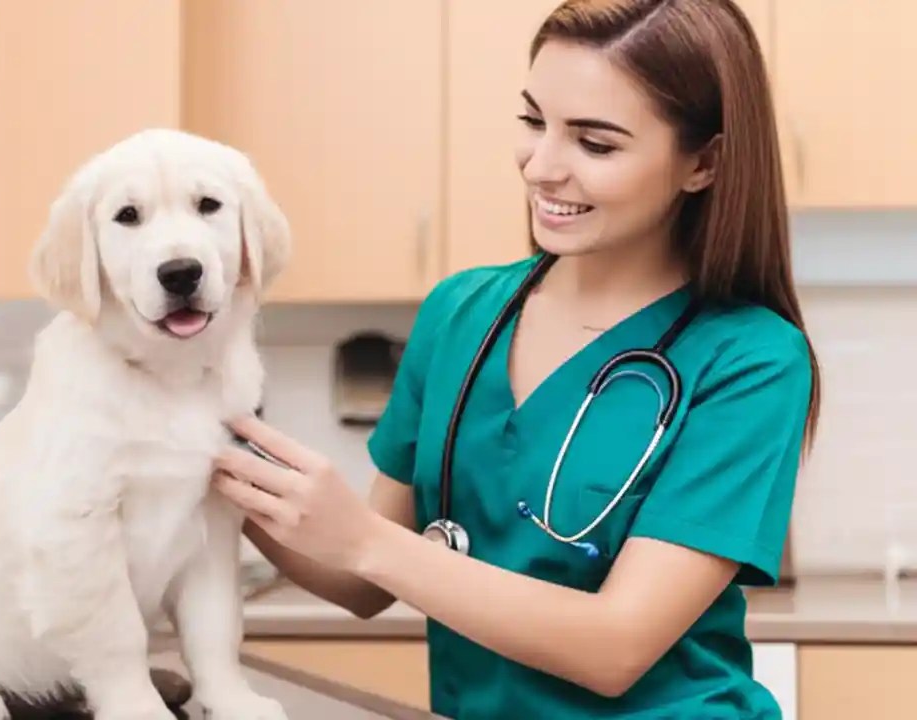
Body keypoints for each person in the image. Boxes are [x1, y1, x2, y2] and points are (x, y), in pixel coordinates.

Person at [212, 0, 822, 717]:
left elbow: (615, 647)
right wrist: (204, 456)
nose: (541, 166)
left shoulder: (750, 360)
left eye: (595, 144)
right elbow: (362, 581)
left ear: (704, 162)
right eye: (534, 122)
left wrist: (365, 539)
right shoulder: (459, 314)